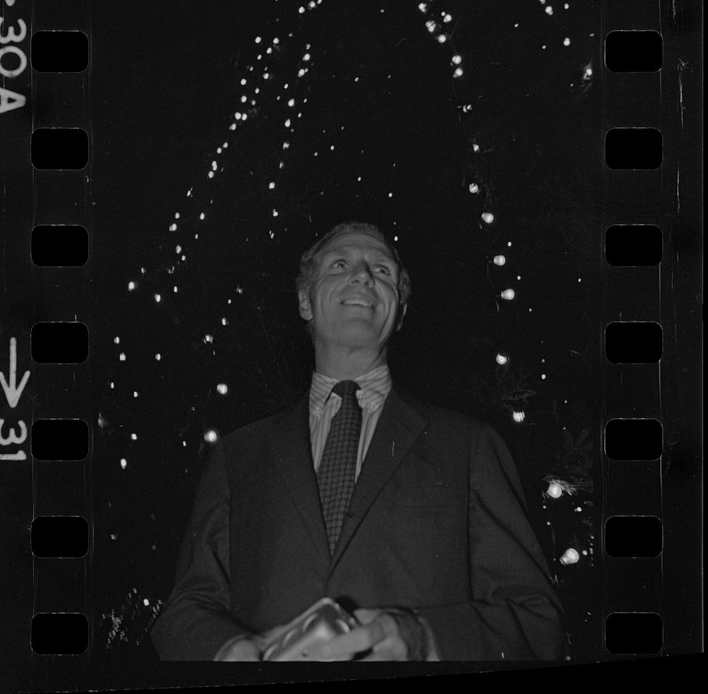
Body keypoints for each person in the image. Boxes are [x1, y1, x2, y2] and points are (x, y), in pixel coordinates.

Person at [150, 222, 566, 661]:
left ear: (399, 312)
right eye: (340, 264)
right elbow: (185, 610)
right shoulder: (237, 455)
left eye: (382, 270)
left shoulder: (470, 445)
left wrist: (421, 637)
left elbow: (537, 621)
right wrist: (232, 650)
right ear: (305, 302)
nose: (364, 276)